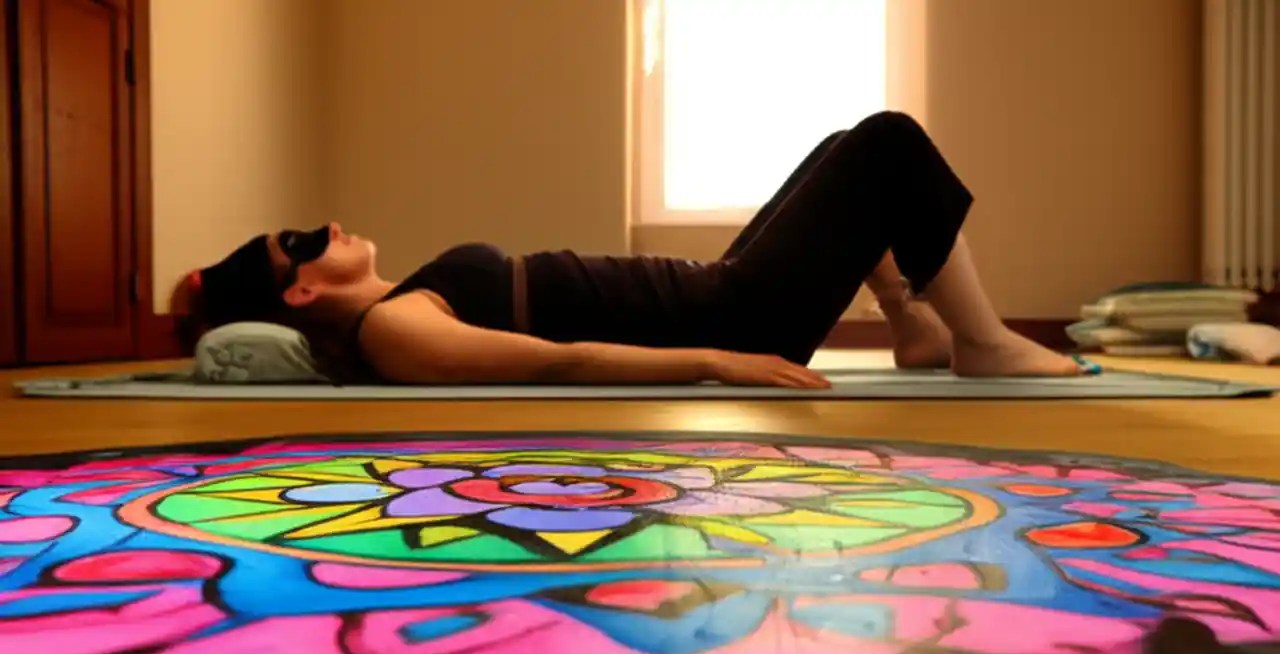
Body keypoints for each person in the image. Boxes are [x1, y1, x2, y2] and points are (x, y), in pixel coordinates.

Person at [180, 111, 1092, 388]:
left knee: (837, 148)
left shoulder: (405, 299)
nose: (329, 227)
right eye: (303, 243)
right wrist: (719, 362)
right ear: (298, 294)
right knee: (887, 144)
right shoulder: (392, 327)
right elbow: (560, 360)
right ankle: (979, 340)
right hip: (729, 315)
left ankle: (916, 327)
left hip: (717, 290)